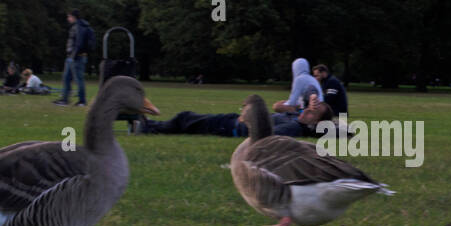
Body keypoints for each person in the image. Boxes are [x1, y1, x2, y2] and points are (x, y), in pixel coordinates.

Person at [142, 95, 331, 138]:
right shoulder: (295, 117)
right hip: (231, 119)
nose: (307, 110)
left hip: (231, 127)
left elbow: (265, 135)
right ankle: (151, 126)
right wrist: (311, 100)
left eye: (313, 112)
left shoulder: (294, 127)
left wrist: (248, 120)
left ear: (316, 122)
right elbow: (278, 106)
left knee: (185, 119)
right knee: (186, 120)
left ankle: (149, 128)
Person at [54, 10, 94, 107]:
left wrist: (73, 56)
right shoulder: (81, 26)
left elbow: (78, 43)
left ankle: (82, 101)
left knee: (78, 79)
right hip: (72, 57)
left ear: (74, 17)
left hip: (76, 57)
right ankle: (64, 99)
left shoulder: (79, 27)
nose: (68, 19)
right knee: (66, 78)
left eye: (69, 17)